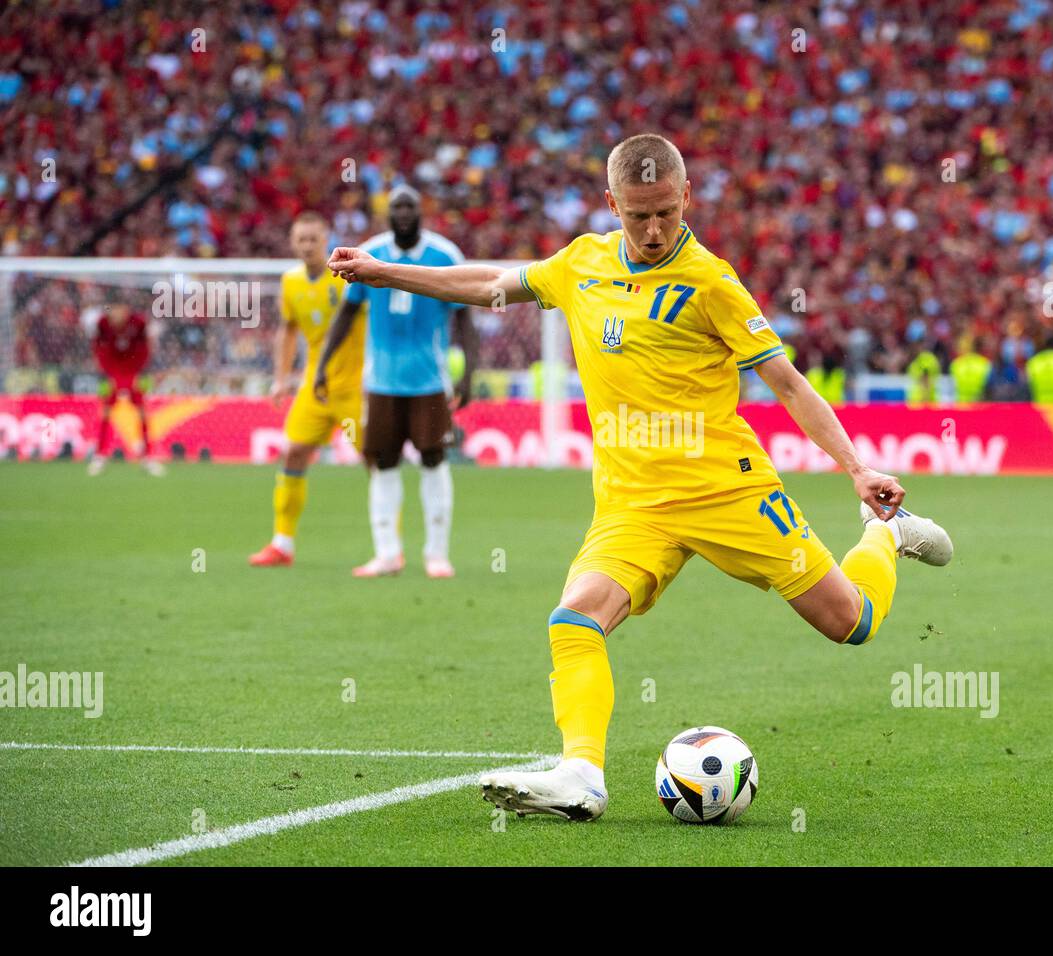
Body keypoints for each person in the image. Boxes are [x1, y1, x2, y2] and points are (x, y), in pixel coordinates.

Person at [326, 135, 952, 821]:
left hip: (726, 488)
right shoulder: (582, 262)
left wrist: (858, 469)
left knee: (850, 623)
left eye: (665, 213)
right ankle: (581, 776)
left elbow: (787, 382)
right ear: (611, 205)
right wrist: (387, 274)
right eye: (637, 216)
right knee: (573, 619)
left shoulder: (712, 281)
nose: (653, 231)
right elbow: (490, 285)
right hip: (632, 504)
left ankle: (887, 537)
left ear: (686, 197)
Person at [314, 185, 478, 579]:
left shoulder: (444, 255)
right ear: (388, 214)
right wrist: (322, 364)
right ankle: (387, 553)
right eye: (396, 208)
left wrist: (469, 372)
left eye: (410, 208)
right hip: (382, 382)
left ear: (421, 213)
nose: (403, 214)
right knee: (383, 461)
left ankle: (436, 554)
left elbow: (465, 319)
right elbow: (347, 313)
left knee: (433, 459)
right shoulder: (371, 252)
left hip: (430, 382)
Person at [249, 211, 367, 568]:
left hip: (356, 385)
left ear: (327, 239)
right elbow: (287, 331)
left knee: (378, 462)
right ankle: (282, 544)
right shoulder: (290, 282)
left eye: (314, 239)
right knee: (294, 453)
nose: (307, 246)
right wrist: (281, 378)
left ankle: (388, 548)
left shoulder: (347, 277)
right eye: (301, 239)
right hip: (314, 386)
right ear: (292, 242)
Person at [88, 300, 163, 477]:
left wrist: (139, 373)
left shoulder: (139, 323)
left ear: (126, 309)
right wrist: (107, 374)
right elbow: (98, 351)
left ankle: (147, 457)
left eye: (120, 310)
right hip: (111, 375)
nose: (116, 314)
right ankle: (100, 456)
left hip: (134, 373)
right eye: (113, 310)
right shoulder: (102, 324)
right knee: (106, 411)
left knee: (143, 412)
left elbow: (146, 349)